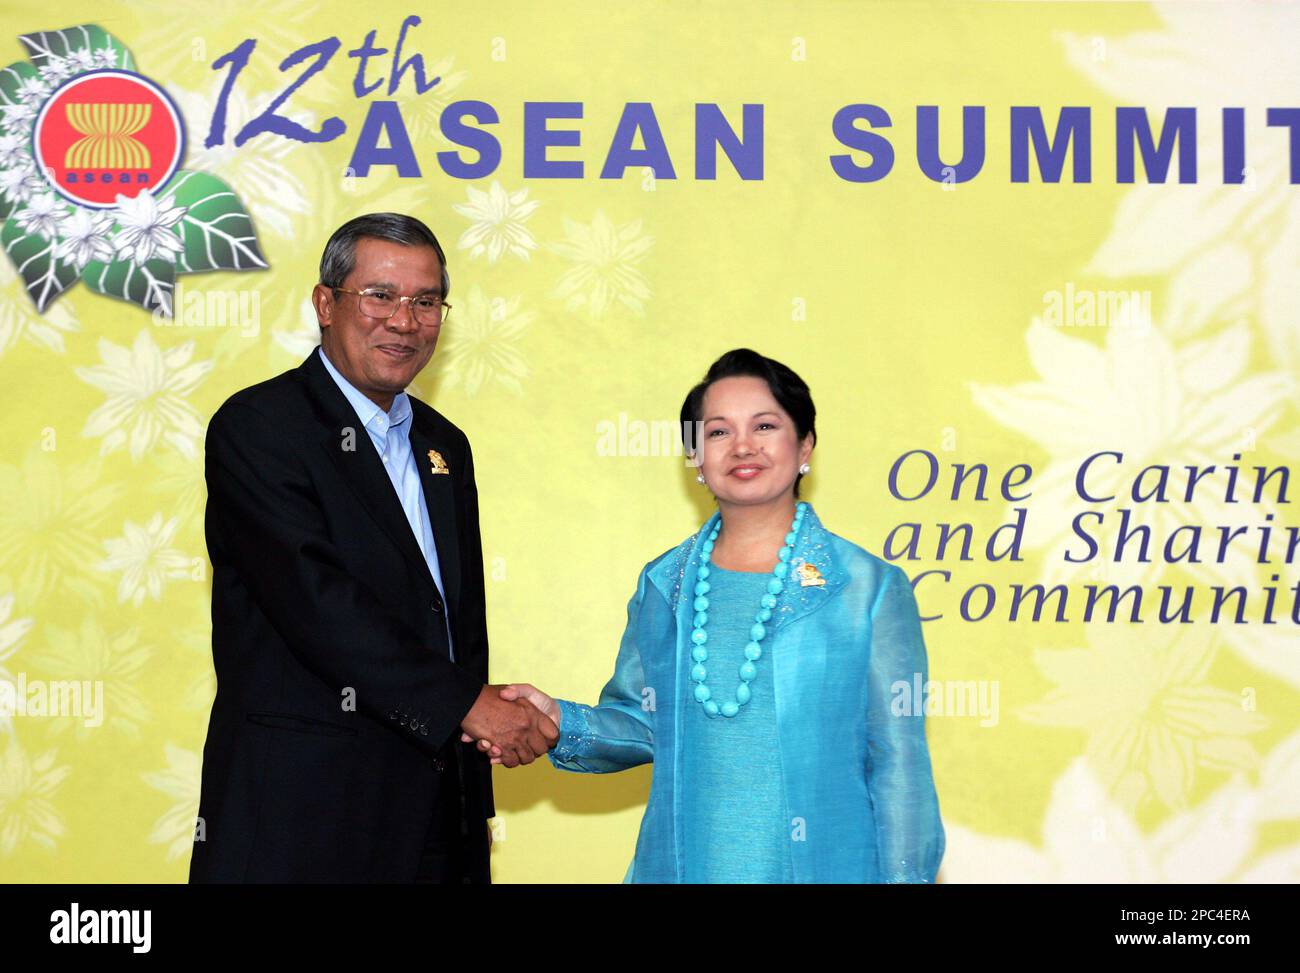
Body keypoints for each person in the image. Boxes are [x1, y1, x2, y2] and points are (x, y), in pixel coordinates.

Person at [465, 349, 945, 883]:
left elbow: (900, 765)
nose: (743, 446)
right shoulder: (665, 582)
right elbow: (644, 725)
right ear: (694, 456)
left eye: (765, 425)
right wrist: (557, 722)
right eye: (717, 432)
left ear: (805, 445)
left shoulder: (867, 588)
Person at [190, 213, 557, 884]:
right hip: (304, 820)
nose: (404, 319)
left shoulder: (445, 446)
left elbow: (443, 623)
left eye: (426, 301)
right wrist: (468, 704)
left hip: (439, 821)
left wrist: (475, 702)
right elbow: (318, 603)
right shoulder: (261, 427)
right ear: (326, 304)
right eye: (380, 295)